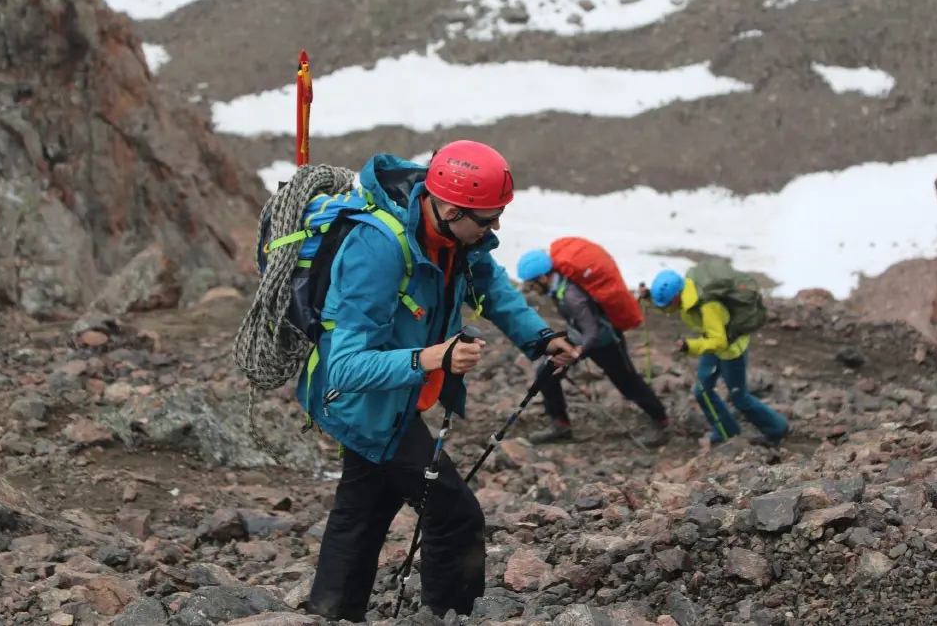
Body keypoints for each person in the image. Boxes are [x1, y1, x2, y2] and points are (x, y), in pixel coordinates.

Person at [302, 140, 581, 621]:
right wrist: (433, 358)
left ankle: (331, 613)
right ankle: (451, 617)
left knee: (364, 508)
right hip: (363, 404)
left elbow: (491, 287)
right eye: (488, 218)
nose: (496, 228)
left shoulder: (458, 236)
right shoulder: (378, 249)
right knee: (455, 515)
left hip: (398, 399)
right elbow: (345, 367)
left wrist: (539, 338)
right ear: (450, 207)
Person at [515, 249, 671, 447]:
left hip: (605, 343)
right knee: (546, 373)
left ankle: (661, 421)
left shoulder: (571, 294)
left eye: (532, 284)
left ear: (544, 277)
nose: (532, 290)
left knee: (628, 383)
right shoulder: (559, 289)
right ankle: (560, 425)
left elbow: (592, 331)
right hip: (583, 341)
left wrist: (576, 352)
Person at [641, 269, 789, 447]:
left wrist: (690, 346)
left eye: (667, 302)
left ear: (676, 295)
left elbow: (720, 341)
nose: (666, 307)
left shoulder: (707, 306)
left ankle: (777, 428)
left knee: (739, 397)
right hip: (712, 344)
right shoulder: (685, 293)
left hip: (732, 349)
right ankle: (727, 431)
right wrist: (649, 297)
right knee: (702, 391)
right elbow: (668, 305)